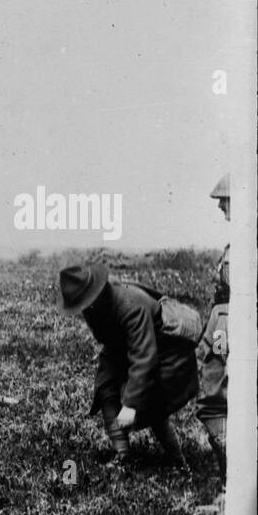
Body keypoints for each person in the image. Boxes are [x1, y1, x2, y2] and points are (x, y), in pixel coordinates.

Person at [58, 262, 198, 467]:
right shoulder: (96, 307)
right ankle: (123, 457)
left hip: (165, 347)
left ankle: (179, 463)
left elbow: (144, 356)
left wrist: (131, 405)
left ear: (97, 292)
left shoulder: (131, 306)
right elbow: (111, 339)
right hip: (123, 344)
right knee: (105, 388)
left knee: (152, 404)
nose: (84, 309)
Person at [195, 173, 229, 473]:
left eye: (225, 201)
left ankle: (230, 482)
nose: (220, 206)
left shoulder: (242, 245)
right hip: (226, 319)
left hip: (227, 323)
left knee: (215, 392)